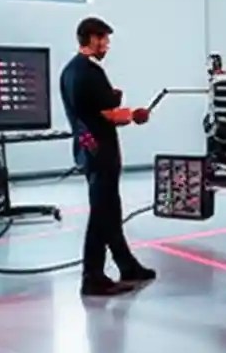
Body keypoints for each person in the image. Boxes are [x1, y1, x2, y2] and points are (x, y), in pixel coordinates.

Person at [60, 16, 156, 296]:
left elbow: (86, 108)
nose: (107, 45)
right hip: (101, 151)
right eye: (103, 39)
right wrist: (135, 115)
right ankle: (92, 276)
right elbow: (107, 115)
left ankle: (127, 265)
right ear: (90, 38)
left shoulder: (69, 71)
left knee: (110, 210)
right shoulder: (90, 72)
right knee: (102, 213)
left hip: (86, 149)